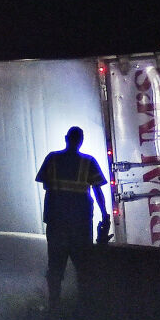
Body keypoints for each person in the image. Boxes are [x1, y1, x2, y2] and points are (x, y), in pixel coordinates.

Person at [35, 126, 107, 309]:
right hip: (80, 224)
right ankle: (85, 307)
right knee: (83, 267)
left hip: (56, 222)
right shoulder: (88, 161)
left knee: (55, 266)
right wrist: (104, 213)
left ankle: (54, 305)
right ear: (81, 141)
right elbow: (98, 190)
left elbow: (45, 184)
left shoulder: (52, 158)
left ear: (66, 138)